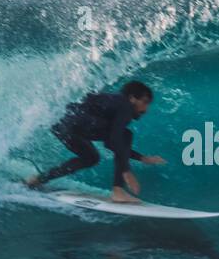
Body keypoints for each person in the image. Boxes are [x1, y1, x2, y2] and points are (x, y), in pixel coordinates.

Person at [26, 81, 166, 202]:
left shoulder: (111, 103)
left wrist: (141, 158)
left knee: (91, 158)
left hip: (61, 124)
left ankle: (38, 179)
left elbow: (111, 143)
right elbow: (115, 140)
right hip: (76, 123)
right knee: (126, 134)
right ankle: (118, 190)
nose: (145, 109)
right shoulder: (125, 106)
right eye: (145, 102)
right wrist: (126, 171)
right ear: (132, 98)